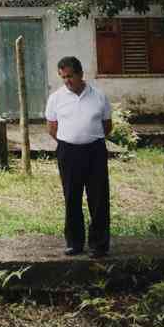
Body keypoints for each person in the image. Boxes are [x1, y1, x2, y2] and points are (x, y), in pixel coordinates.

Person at [46, 55, 113, 258]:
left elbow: (107, 126)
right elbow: (52, 128)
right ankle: (74, 243)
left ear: (81, 74)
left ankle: (99, 245)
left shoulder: (99, 96)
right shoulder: (56, 98)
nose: (67, 81)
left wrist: (88, 137)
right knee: (72, 197)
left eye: (70, 76)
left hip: (95, 151)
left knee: (99, 198)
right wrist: (71, 141)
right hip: (69, 152)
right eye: (63, 77)